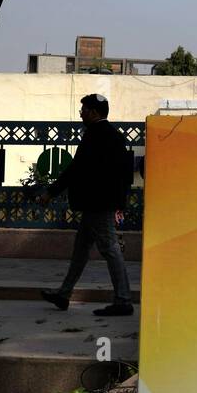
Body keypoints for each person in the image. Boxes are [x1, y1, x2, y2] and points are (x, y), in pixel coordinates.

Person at [39, 93, 134, 316]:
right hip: (102, 203)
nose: (80, 113)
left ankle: (123, 300)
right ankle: (63, 294)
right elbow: (125, 174)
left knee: (110, 248)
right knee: (81, 249)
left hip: (97, 204)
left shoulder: (96, 136)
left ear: (93, 112)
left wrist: (50, 193)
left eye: (83, 109)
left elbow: (76, 170)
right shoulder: (113, 136)